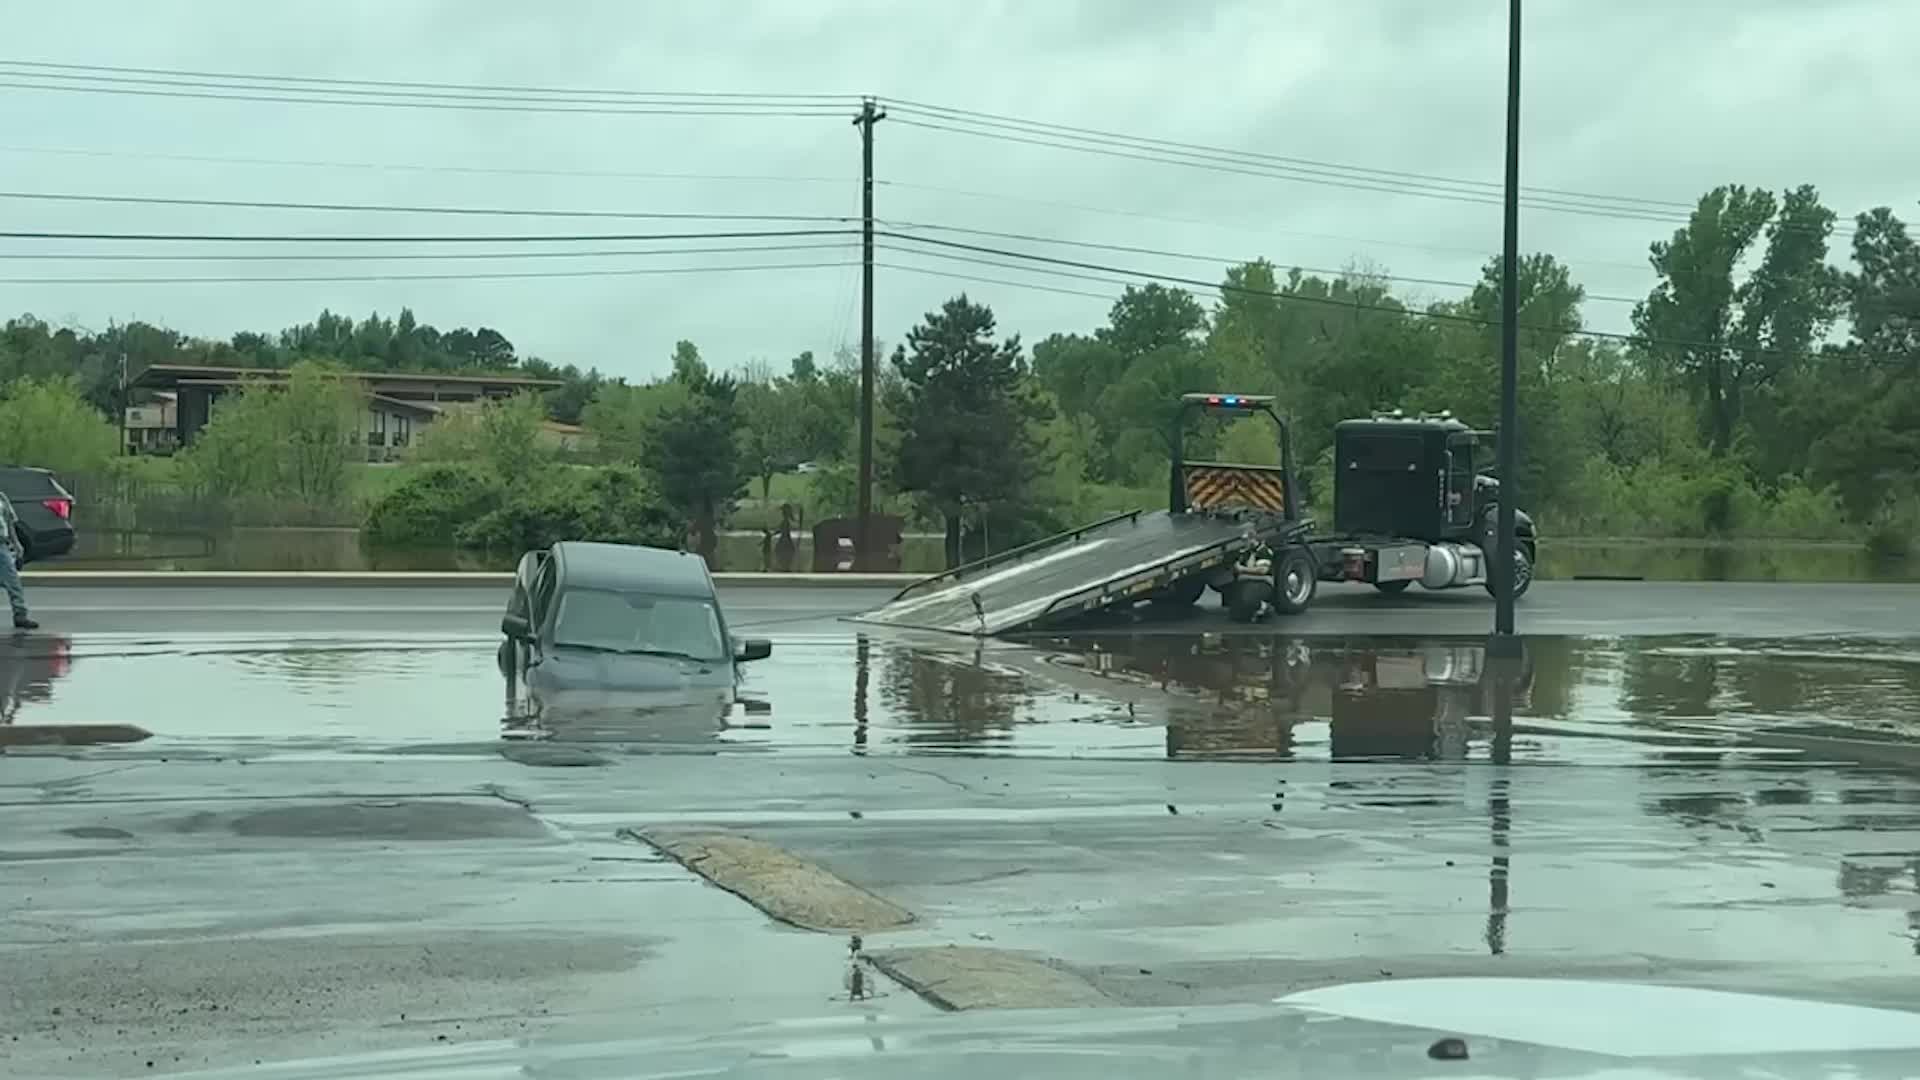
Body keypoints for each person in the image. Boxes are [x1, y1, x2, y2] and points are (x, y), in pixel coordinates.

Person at [0, 492, 36, 630]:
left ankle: (20, 615)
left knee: (13, 581)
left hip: (1, 544)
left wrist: (16, 543)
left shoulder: (1, 497)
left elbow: (10, 522)